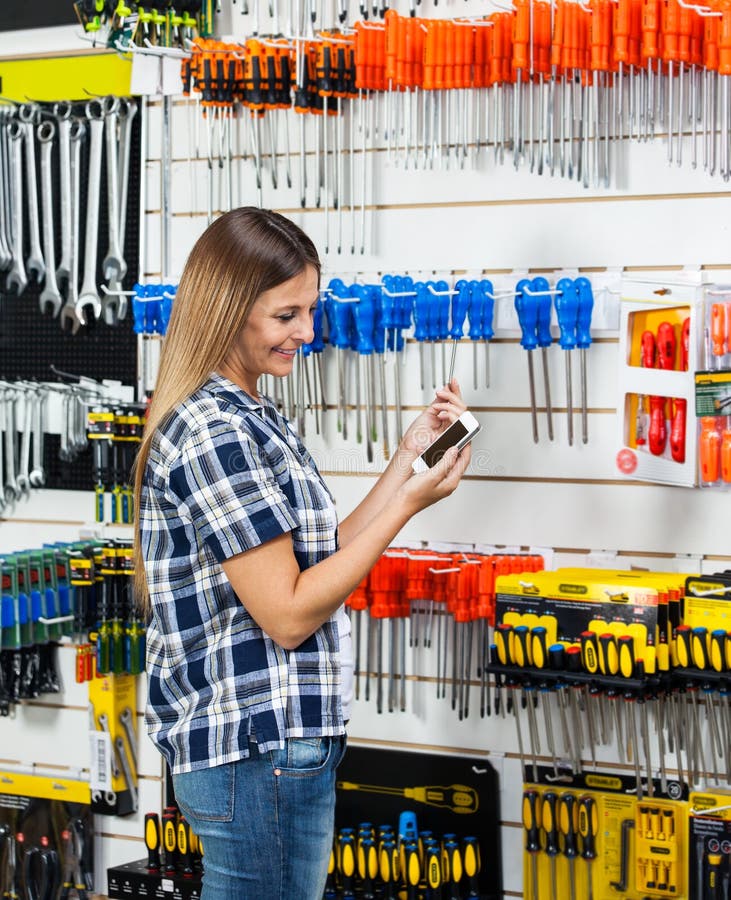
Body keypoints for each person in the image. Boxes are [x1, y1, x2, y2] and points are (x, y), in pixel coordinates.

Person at [133, 207, 472, 900]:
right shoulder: (215, 433)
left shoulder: (247, 412)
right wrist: (408, 506)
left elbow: (318, 560)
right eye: (286, 315)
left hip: (268, 748)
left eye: (310, 311)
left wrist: (409, 461)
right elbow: (287, 614)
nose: (307, 333)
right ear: (229, 310)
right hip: (255, 749)